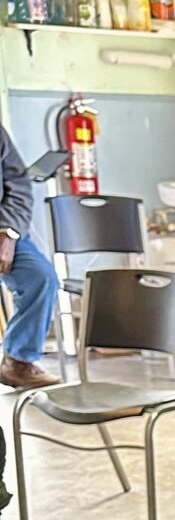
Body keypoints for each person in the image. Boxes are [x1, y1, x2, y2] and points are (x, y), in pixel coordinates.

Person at [0, 122, 60, 391]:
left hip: (3, 229)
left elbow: (19, 186)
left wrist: (9, 232)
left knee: (41, 276)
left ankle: (18, 361)